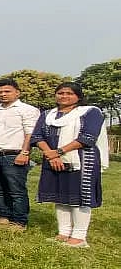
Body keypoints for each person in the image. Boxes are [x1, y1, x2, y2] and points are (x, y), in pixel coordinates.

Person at [32, 83, 109, 247]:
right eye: (60, 93)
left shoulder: (90, 112)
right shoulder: (48, 114)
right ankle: (63, 232)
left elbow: (87, 138)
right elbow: (37, 136)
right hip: (52, 159)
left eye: (69, 93)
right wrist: (51, 155)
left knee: (79, 197)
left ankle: (79, 237)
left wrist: (58, 152)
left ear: (78, 96)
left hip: (81, 160)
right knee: (59, 196)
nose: (64, 96)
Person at [0, 78, 40, 231]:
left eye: (7, 91)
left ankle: (19, 221)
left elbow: (30, 133)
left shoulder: (27, 110)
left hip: (14, 154)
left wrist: (25, 153)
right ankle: (5, 215)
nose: (3, 94)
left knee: (16, 190)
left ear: (17, 92)